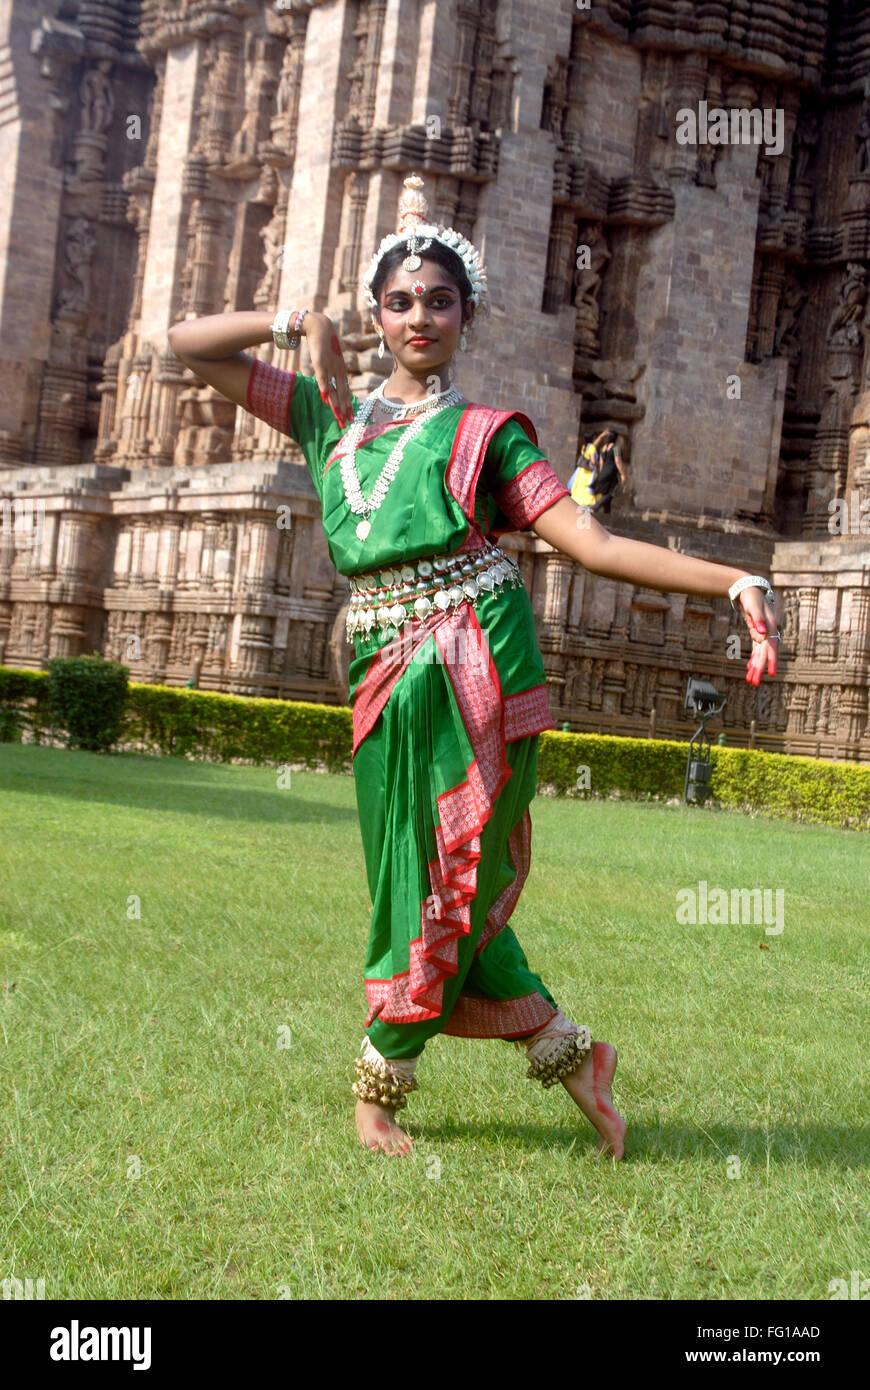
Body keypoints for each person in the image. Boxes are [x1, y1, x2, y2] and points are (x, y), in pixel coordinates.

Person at [168, 172, 778, 1163]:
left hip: (472, 662)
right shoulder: (332, 416)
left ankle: (379, 1084)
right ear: (376, 314)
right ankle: (570, 1052)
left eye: (439, 301)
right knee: (442, 872)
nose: (419, 317)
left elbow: (590, 543)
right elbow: (184, 345)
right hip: (379, 665)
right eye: (400, 301)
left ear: (466, 314)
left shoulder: (486, 435)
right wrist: (295, 319)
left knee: (434, 875)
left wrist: (734, 578)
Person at [589, 429, 627, 516]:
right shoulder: (616, 448)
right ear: (616, 438)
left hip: (604, 472)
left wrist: (602, 473)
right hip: (611, 473)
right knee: (612, 492)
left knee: (606, 493)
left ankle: (607, 515)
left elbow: (601, 463)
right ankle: (595, 507)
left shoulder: (603, 448)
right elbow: (618, 462)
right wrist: (622, 474)